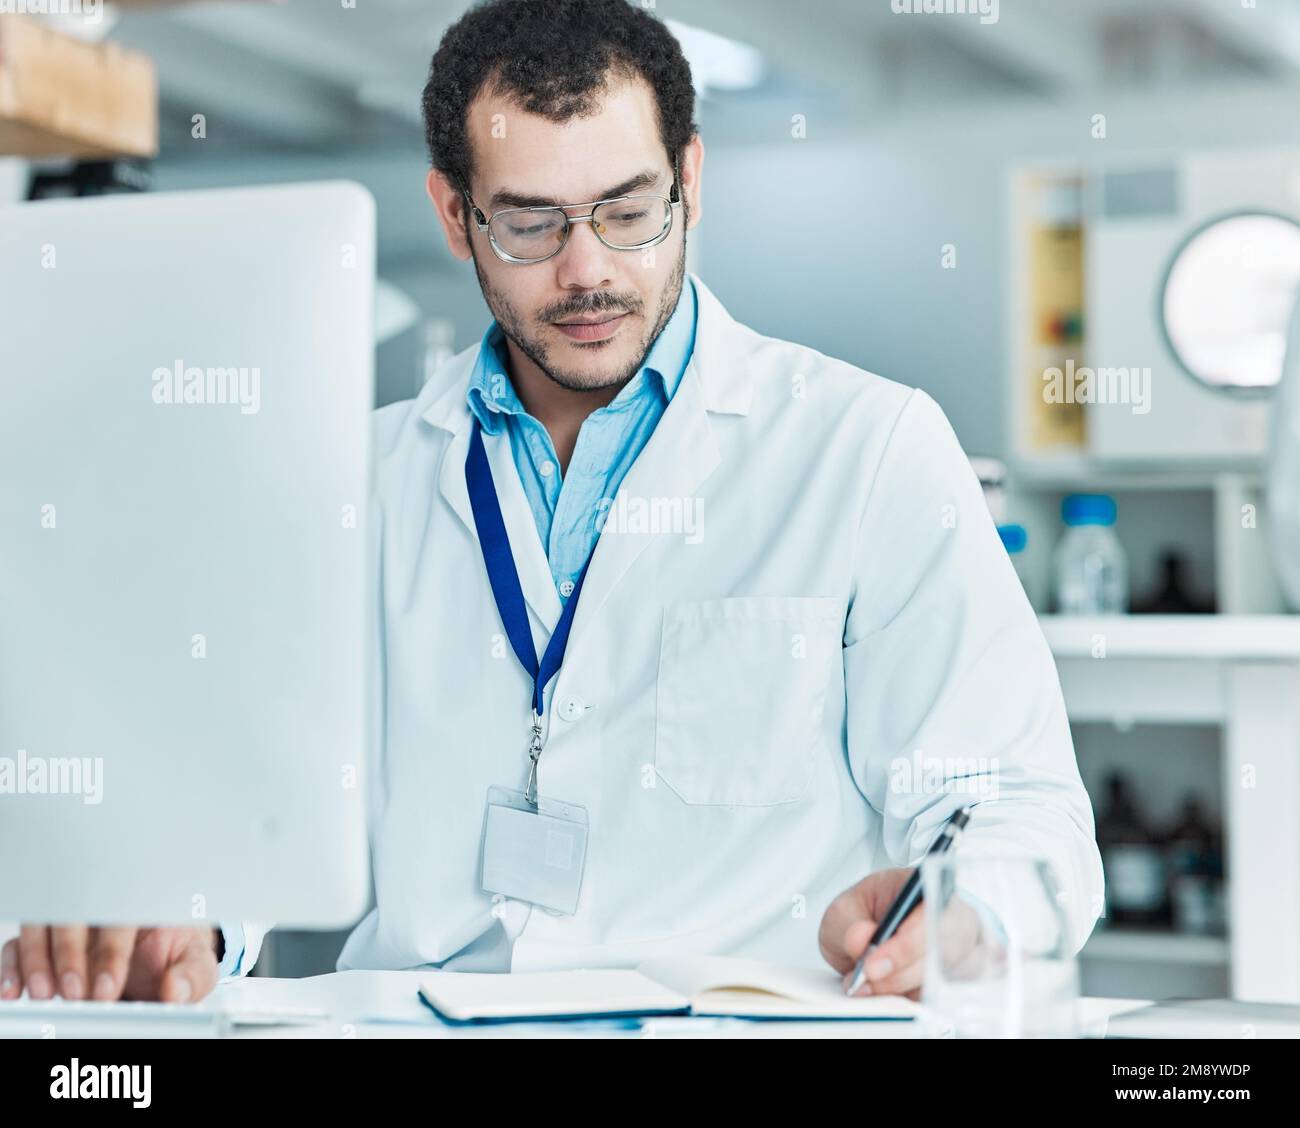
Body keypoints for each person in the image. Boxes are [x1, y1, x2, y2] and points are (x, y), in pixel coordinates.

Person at [1, 0, 1103, 1006]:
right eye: (528, 224)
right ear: (451, 213)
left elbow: (1016, 807)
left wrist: (966, 909)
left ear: (691, 180)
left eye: (627, 211)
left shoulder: (866, 448)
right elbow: (247, 802)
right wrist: (186, 918)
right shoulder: (357, 481)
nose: (585, 271)